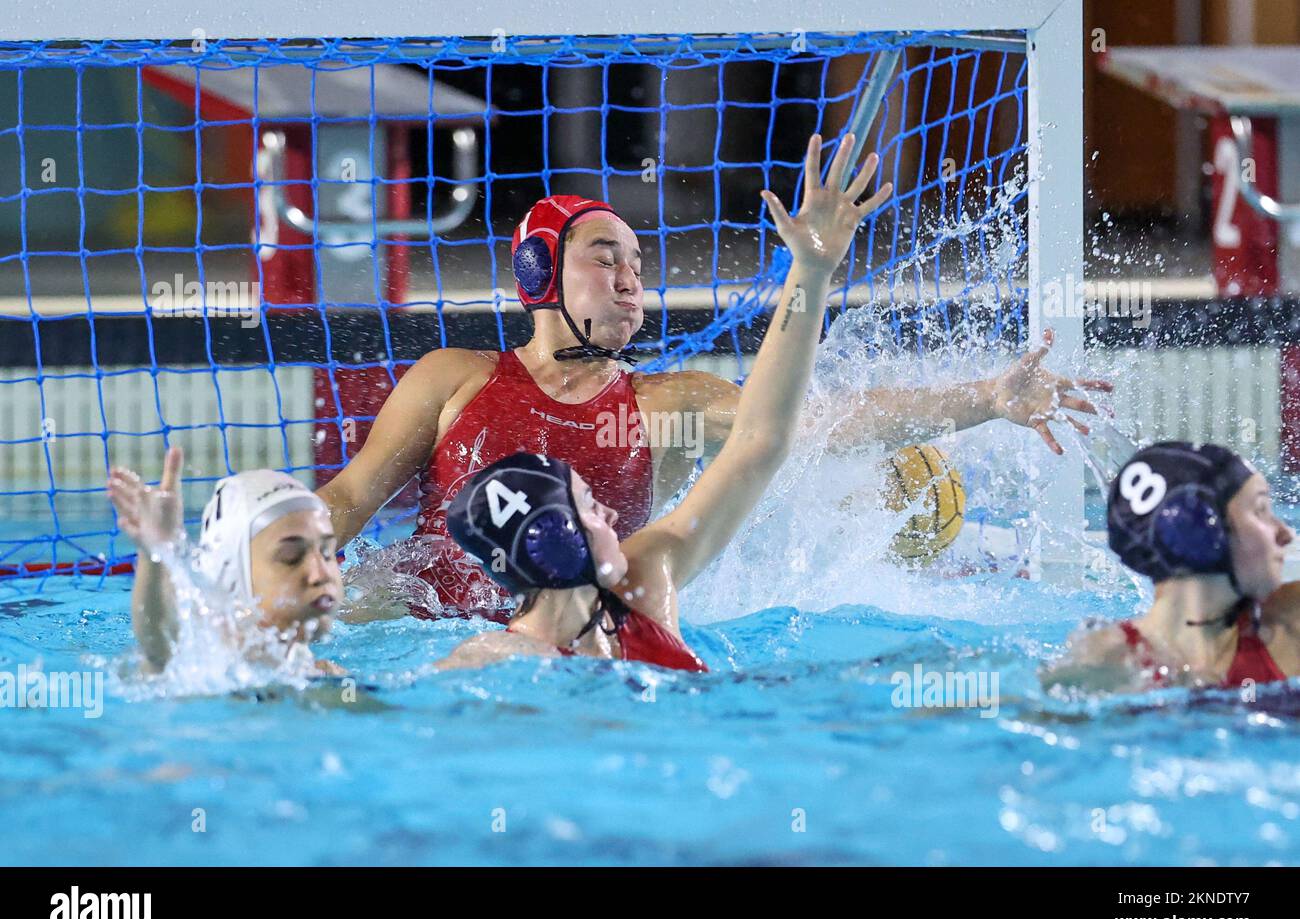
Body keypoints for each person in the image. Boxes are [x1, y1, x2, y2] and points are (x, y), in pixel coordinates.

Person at [318, 138, 1110, 622]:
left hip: (588, 635)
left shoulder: (666, 406)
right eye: (604, 258)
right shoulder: (453, 381)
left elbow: (806, 424)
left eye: (637, 264)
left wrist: (983, 399)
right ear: (538, 272)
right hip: (419, 626)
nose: (631, 280)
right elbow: (350, 501)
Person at [433, 132, 891, 670]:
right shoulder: (488, 662)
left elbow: (761, 437)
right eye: (587, 506)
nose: (608, 510)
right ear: (552, 541)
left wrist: (810, 273)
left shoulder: (646, 577)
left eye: (636, 266)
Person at [1042, 441, 1300, 693]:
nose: (1285, 533)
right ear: (1197, 532)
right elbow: (1002, 704)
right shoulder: (1106, 664)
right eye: (1260, 510)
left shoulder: (1292, 624)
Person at [107, 447, 344, 675]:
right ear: (233, 574)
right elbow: (160, 648)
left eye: (326, 552)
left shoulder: (317, 672)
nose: (321, 573)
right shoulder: (209, 660)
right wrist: (157, 554)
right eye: (291, 558)